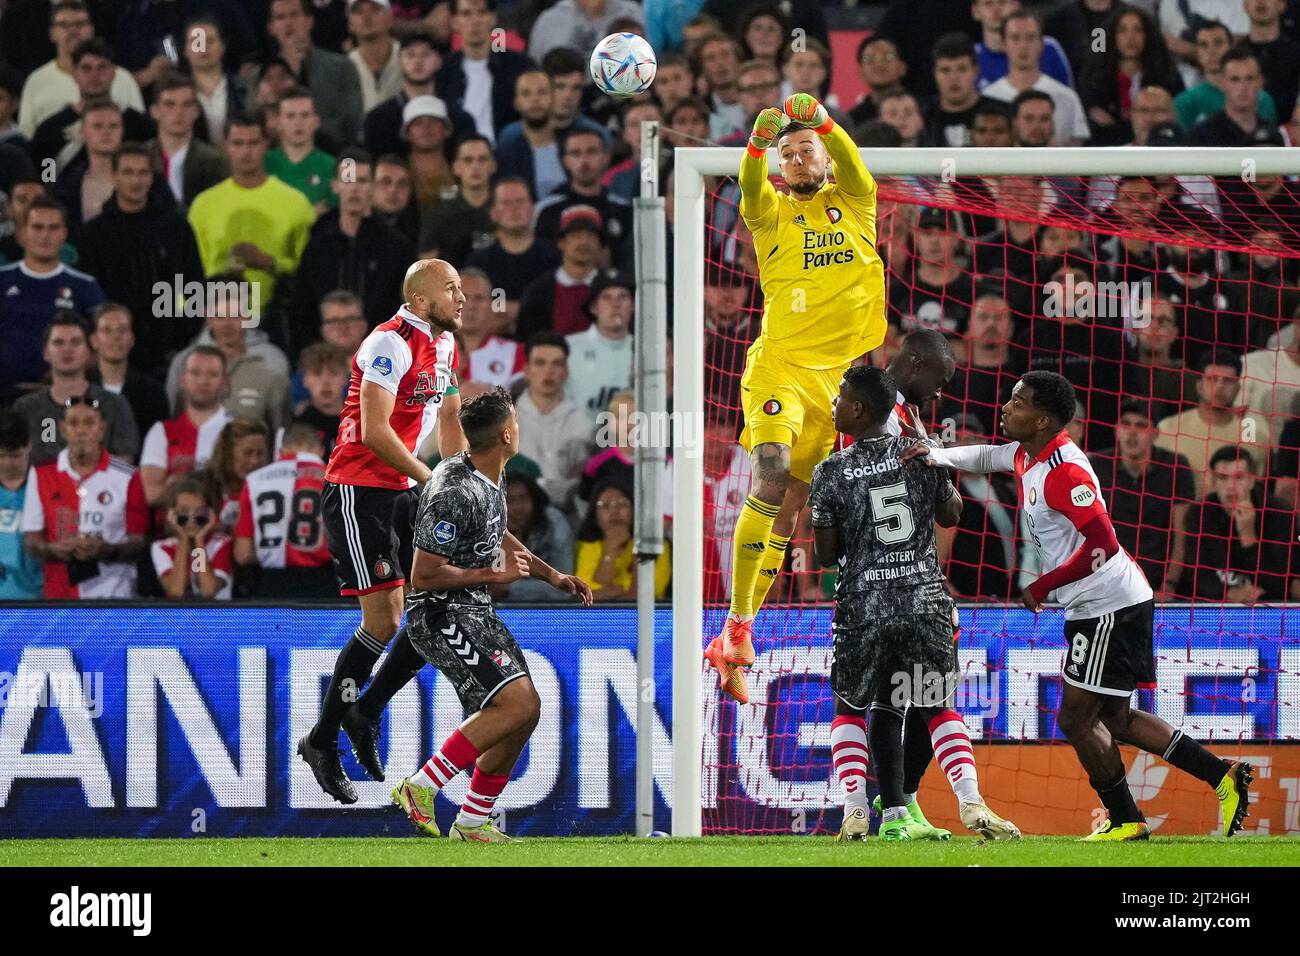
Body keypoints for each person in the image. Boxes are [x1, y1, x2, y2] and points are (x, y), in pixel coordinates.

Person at [903, 370, 1254, 840]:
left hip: (1110, 605)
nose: (1007, 408)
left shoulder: (1064, 472)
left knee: (1076, 717)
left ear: (1044, 419)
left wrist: (1044, 584)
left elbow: (1104, 543)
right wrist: (936, 454)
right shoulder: (1030, 454)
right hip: (1100, 605)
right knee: (1115, 718)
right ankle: (1220, 776)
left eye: (1019, 403)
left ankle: (1127, 820)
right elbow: (988, 455)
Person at [707, 92, 888, 703]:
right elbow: (750, 188)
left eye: (804, 150)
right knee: (771, 479)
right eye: (788, 156)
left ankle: (737, 631)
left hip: (831, 383)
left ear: (824, 159)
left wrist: (824, 123)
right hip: (779, 368)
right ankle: (732, 619)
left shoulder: (856, 205)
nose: (797, 160)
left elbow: (857, 167)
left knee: (791, 514)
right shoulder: (771, 216)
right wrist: (758, 146)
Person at [808, 364, 1019, 841]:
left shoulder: (831, 471)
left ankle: (857, 812)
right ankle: (971, 803)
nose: (834, 404)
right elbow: (952, 514)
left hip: (863, 606)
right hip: (924, 600)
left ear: (859, 410)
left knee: (849, 707)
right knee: (937, 705)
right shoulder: (918, 452)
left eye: (840, 398)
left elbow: (825, 554)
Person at [298, 258, 469, 805]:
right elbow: (373, 431)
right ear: (420, 299)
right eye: (451, 289)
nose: (463, 298)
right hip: (358, 489)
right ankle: (322, 740)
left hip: (404, 489)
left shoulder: (445, 345)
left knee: (440, 602)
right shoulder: (387, 343)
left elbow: (448, 423)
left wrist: (464, 485)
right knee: (386, 617)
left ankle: (364, 711)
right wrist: (432, 479)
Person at [390, 387, 592, 841]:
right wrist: (489, 574)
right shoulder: (451, 491)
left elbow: (499, 533)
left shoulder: (488, 471)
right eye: (516, 421)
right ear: (505, 435)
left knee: (525, 710)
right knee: (516, 703)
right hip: (438, 615)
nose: (519, 428)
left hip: (473, 609)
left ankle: (473, 820)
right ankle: (420, 786)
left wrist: (552, 576)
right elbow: (422, 576)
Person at [78, 142, 205, 372]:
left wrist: (184, 335)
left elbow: (193, 284)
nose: (136, 181)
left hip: (168, 349)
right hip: (112, 350)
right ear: (114, 176)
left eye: (142, 173)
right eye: (128, 172)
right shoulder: (94, 233)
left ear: (151, 177)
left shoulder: (175, 227)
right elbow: (89, 295)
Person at [187, 112, 316, 319]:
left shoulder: (296, 203)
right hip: (217, 318)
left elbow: (308, 272)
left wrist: (268, 262)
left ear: (266, 145)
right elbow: (190, 270)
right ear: (225, 146)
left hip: (276, 317)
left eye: (253, 143)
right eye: (238, 143)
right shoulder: (203, 205)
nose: (246, 152)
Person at [290, 149, 415, 358]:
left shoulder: (397, 247)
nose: (355, 189)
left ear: (373, 187)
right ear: (335, 185)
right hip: (324, 360)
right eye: (347, 180)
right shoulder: (317, 245)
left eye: (363, 180)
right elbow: (302, 308)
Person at [21, 396, 149, 599]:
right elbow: (32, 541)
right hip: (60, 599)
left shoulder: (128, 476)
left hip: (114, 597)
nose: (81, 430)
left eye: (89, 423)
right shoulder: (41, 474)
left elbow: (139, 541)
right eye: (73, 423)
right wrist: (54, 550)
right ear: (63, 429)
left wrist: (106, 550)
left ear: (102, 429)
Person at [0, 197, 104, 403]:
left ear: (64, 233)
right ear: (22, 235)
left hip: (63, 398)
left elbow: (103, 345)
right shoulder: (2, 279)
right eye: (37, 227)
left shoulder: (85, 286)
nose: (45, 235)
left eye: (53, 228)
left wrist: (66, 369)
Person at [1088, 399, 1194, 597]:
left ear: (1155, 434)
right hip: (1108, 581)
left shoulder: (1176, 467)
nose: (1132, 432)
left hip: (1160, 584)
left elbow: (1182, 533)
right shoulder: (1097, 465)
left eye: (1141, 425)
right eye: (1126, 424)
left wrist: (1169, 585)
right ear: (1116, 430)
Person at [12, 312, 140, 466]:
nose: (67, 349)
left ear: (88, 351)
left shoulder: (114, 404)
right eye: (59, 343)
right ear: (46, 353)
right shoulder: (25, 409)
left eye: (76, 342)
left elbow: (124, 465)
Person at [1177, 446, 1298, 603]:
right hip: (1217, 608)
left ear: (1251, 480)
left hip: (1268, 608)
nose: (1230, 486)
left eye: (1238, 478)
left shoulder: (1279, 513)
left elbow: (1280, 583)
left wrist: (1248, 537)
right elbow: (1196, 576)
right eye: (1223, 478)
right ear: (1213, 481)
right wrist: (1227, 594)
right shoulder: (1199, 514)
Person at [164, 294, 292, 433]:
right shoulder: (184, 361)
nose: (227, 324)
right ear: (209, 318)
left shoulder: (272, 362)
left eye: (235, 316)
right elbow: (173, 420)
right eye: (220, 317)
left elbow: (281, 432)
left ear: (247, 317)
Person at [233, 422, 334, 598]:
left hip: (273, 585)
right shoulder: (337, 482)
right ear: (320, 451)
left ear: (281, 451)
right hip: (324, 584)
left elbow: (243, 554)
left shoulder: (254, 480)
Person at [18, 3, 144, 140]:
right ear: (52, 33)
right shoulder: (36, 80)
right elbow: (27, 135)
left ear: (92, 29)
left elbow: (138, 128)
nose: (73, 31)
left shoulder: (123, 77)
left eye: (80, 24)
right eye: (64, 25)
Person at [1155, 350, 1271, 498]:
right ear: (1199, 385)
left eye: (1228, 381)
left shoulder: (1255, 436)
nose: (1220, 387)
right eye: (1212, 379)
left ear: (1238, 388)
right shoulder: (1168, 429)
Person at [30, 38, 155, 171]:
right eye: (86, 68)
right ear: (74, 73)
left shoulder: (140, 126)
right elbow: (46, 179)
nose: (95, 75)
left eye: (102, 67)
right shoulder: (50, 130)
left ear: (114, 72)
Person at [140, 345, 234, 508]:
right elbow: (150, 494)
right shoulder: (161, 432)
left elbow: (243, 490)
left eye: (212, 374)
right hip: (171, 530)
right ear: (183, 379)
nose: (203, 381)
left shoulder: (236, 430)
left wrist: (178, 483)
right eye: (195, 373)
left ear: (225, 382)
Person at [265, 0, 364, 148]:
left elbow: (351, 125)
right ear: (271, 28)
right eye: (280, 17)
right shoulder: (262, 74)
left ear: (309, 21)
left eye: (294, 15)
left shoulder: (342, 67)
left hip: (332, 156)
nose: (288, 23)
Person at [981, 11, 1089, 146]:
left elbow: (1076, 152)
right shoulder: (988, 97)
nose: (1023, 46)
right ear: (1003, 44)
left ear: (1041, 44)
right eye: (1015, 38)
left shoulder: (1067, 97)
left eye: (1030, 38)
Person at [514, 332, 594, 506]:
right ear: (526, 371)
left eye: (556, 364)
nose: (548, 372)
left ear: (566, 372)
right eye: (540, 363)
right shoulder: (506, 422)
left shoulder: (584, 425)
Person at [466, 176, 560, 326]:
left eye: (520, 201)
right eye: (506, 203)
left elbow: (555, 309)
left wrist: (507, 311)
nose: (515, 208)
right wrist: (530, 310)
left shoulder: (554, 257)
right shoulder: (480, 262)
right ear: (493, 213)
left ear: (532, 209)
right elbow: (479, 312)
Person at [436, 0, 533, 141]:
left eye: (482, 13)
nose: (475, 21)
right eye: (466, 14)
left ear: (493, 18)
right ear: (454, 22)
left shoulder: (518, 66)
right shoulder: (442, 69)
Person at [516, 204, 605, 341]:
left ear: (600, 244)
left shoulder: (611, 288)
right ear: (561, 243)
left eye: (591, 236)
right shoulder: (538, 292)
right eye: (576, 235)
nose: (584, 242)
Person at [574, 477, 671, 601]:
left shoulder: (656, 543)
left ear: (634, 510)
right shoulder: (587, 546)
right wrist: (610, 550)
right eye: (604, 505)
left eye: (622, 503)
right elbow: (583, 596)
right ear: (595, 515)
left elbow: (646, 596)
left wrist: (612, 591)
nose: (614, 511)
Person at [1174, 20, 1279, 133]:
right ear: (1197, 53)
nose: (1211, 51)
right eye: (1204, 45)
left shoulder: (1262, 100)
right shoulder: (1184, 102)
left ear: (1231, 46)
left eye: (1218, 43)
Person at [145, 71, 229, 209]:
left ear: (196, 111)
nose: (178, 112)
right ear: (155, 111)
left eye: (186, 105)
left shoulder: (215, 162)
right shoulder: (141, 157)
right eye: (169, 105)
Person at [565, 270, 634, 423]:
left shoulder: (644, 350)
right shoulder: (569, 347)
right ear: (593, 307)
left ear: (633, 305)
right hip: (579, 440)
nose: (615, 305)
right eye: (606, 298)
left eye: (622, 297)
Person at [496, 470, 575, 602]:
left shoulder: (553, 522)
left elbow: (565, 588)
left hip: (549, 611)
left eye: (523, 497)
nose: (517, 507)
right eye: (509, 500)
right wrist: (507, 538)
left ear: (534, 498)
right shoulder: (493, 524)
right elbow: (494, 585)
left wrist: (511, 588)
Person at [417, 134, 496, 263]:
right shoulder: (437, 212)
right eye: (468, 160)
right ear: (456, 168)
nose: (475, 166)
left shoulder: (506, 206)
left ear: (492, 166)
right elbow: (427, 264)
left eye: (482, 159)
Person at [152, 475, 233, 599]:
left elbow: (208, 591)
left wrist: (199, 541)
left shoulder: (221, 543)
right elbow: (176, 592)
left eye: (199, 513)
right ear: (172, 515)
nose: (191, 520)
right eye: (183, 513)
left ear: (209, 514)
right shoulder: (161, 547)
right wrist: (183, 539)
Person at [1189, 47, 1285, 147]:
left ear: (1260, 82)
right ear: (1222, 83)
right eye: (1235, 80)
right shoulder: (1202, 135)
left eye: (1249, 79)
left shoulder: (1272, 135)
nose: (1243, 87)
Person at [264, 86, 336, 214]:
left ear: (316, 122)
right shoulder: (263, 164)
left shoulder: (334, 167)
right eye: (290, 116)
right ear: (278, 123)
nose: (298, 123)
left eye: (305, 115)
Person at [455, 267, 524, 388]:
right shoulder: (426, 349)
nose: (471, 305)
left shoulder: (516, 353)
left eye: (479, 298)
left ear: (492, 305)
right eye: (463, 297)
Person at [0, 412, 43, 599]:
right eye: (1, 456)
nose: (9, 463)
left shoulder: (47, 486)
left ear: (29, 446)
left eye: (15, 455)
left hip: (38, 599)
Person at [204, 418, 271, 531]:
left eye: (260, 453)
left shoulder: (270, 490)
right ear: (227, 452)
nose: (254, 461)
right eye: (247, 453)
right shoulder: (203, 486)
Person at [348, 0, 402, 114]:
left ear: (390, 19)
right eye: (358, 12)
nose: (366, 17)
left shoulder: (407, 58)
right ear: (350, 24)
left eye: (374, 10)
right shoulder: (345, 67)